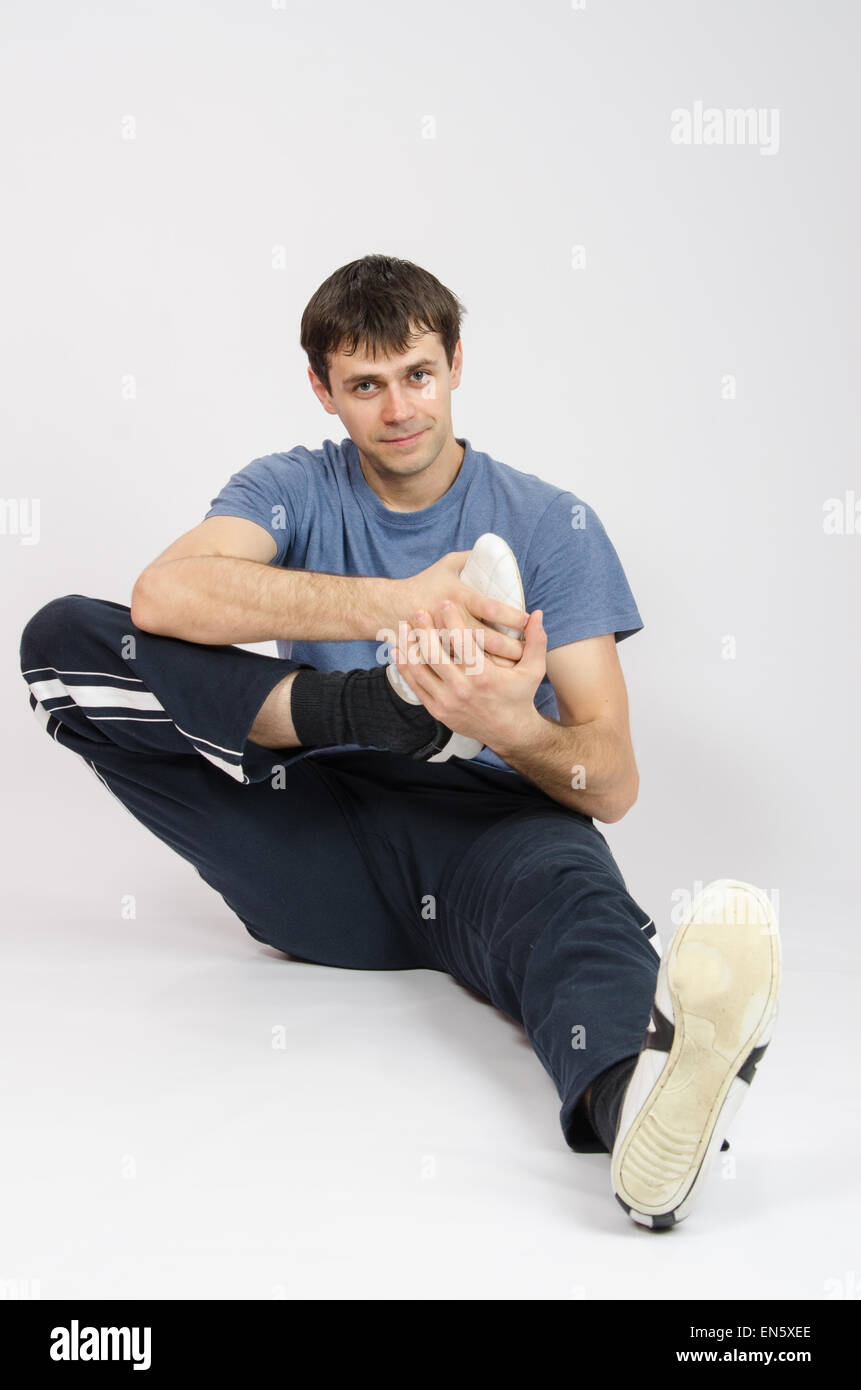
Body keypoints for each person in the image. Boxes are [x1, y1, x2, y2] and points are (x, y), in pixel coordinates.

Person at [18, 254, 780, 1228]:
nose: (398, 408)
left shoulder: (550, 525)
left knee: (573, 912)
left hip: (492, 826)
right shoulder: (292, 490)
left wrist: (503, 721)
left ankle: (635, 1120)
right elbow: (166, 597)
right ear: (323, 390)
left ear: (457, 362)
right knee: (69, 639)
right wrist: (397, 610)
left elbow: (614, 779)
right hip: (317, 823)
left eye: (417, 374)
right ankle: (379, 713)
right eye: (365, 385)